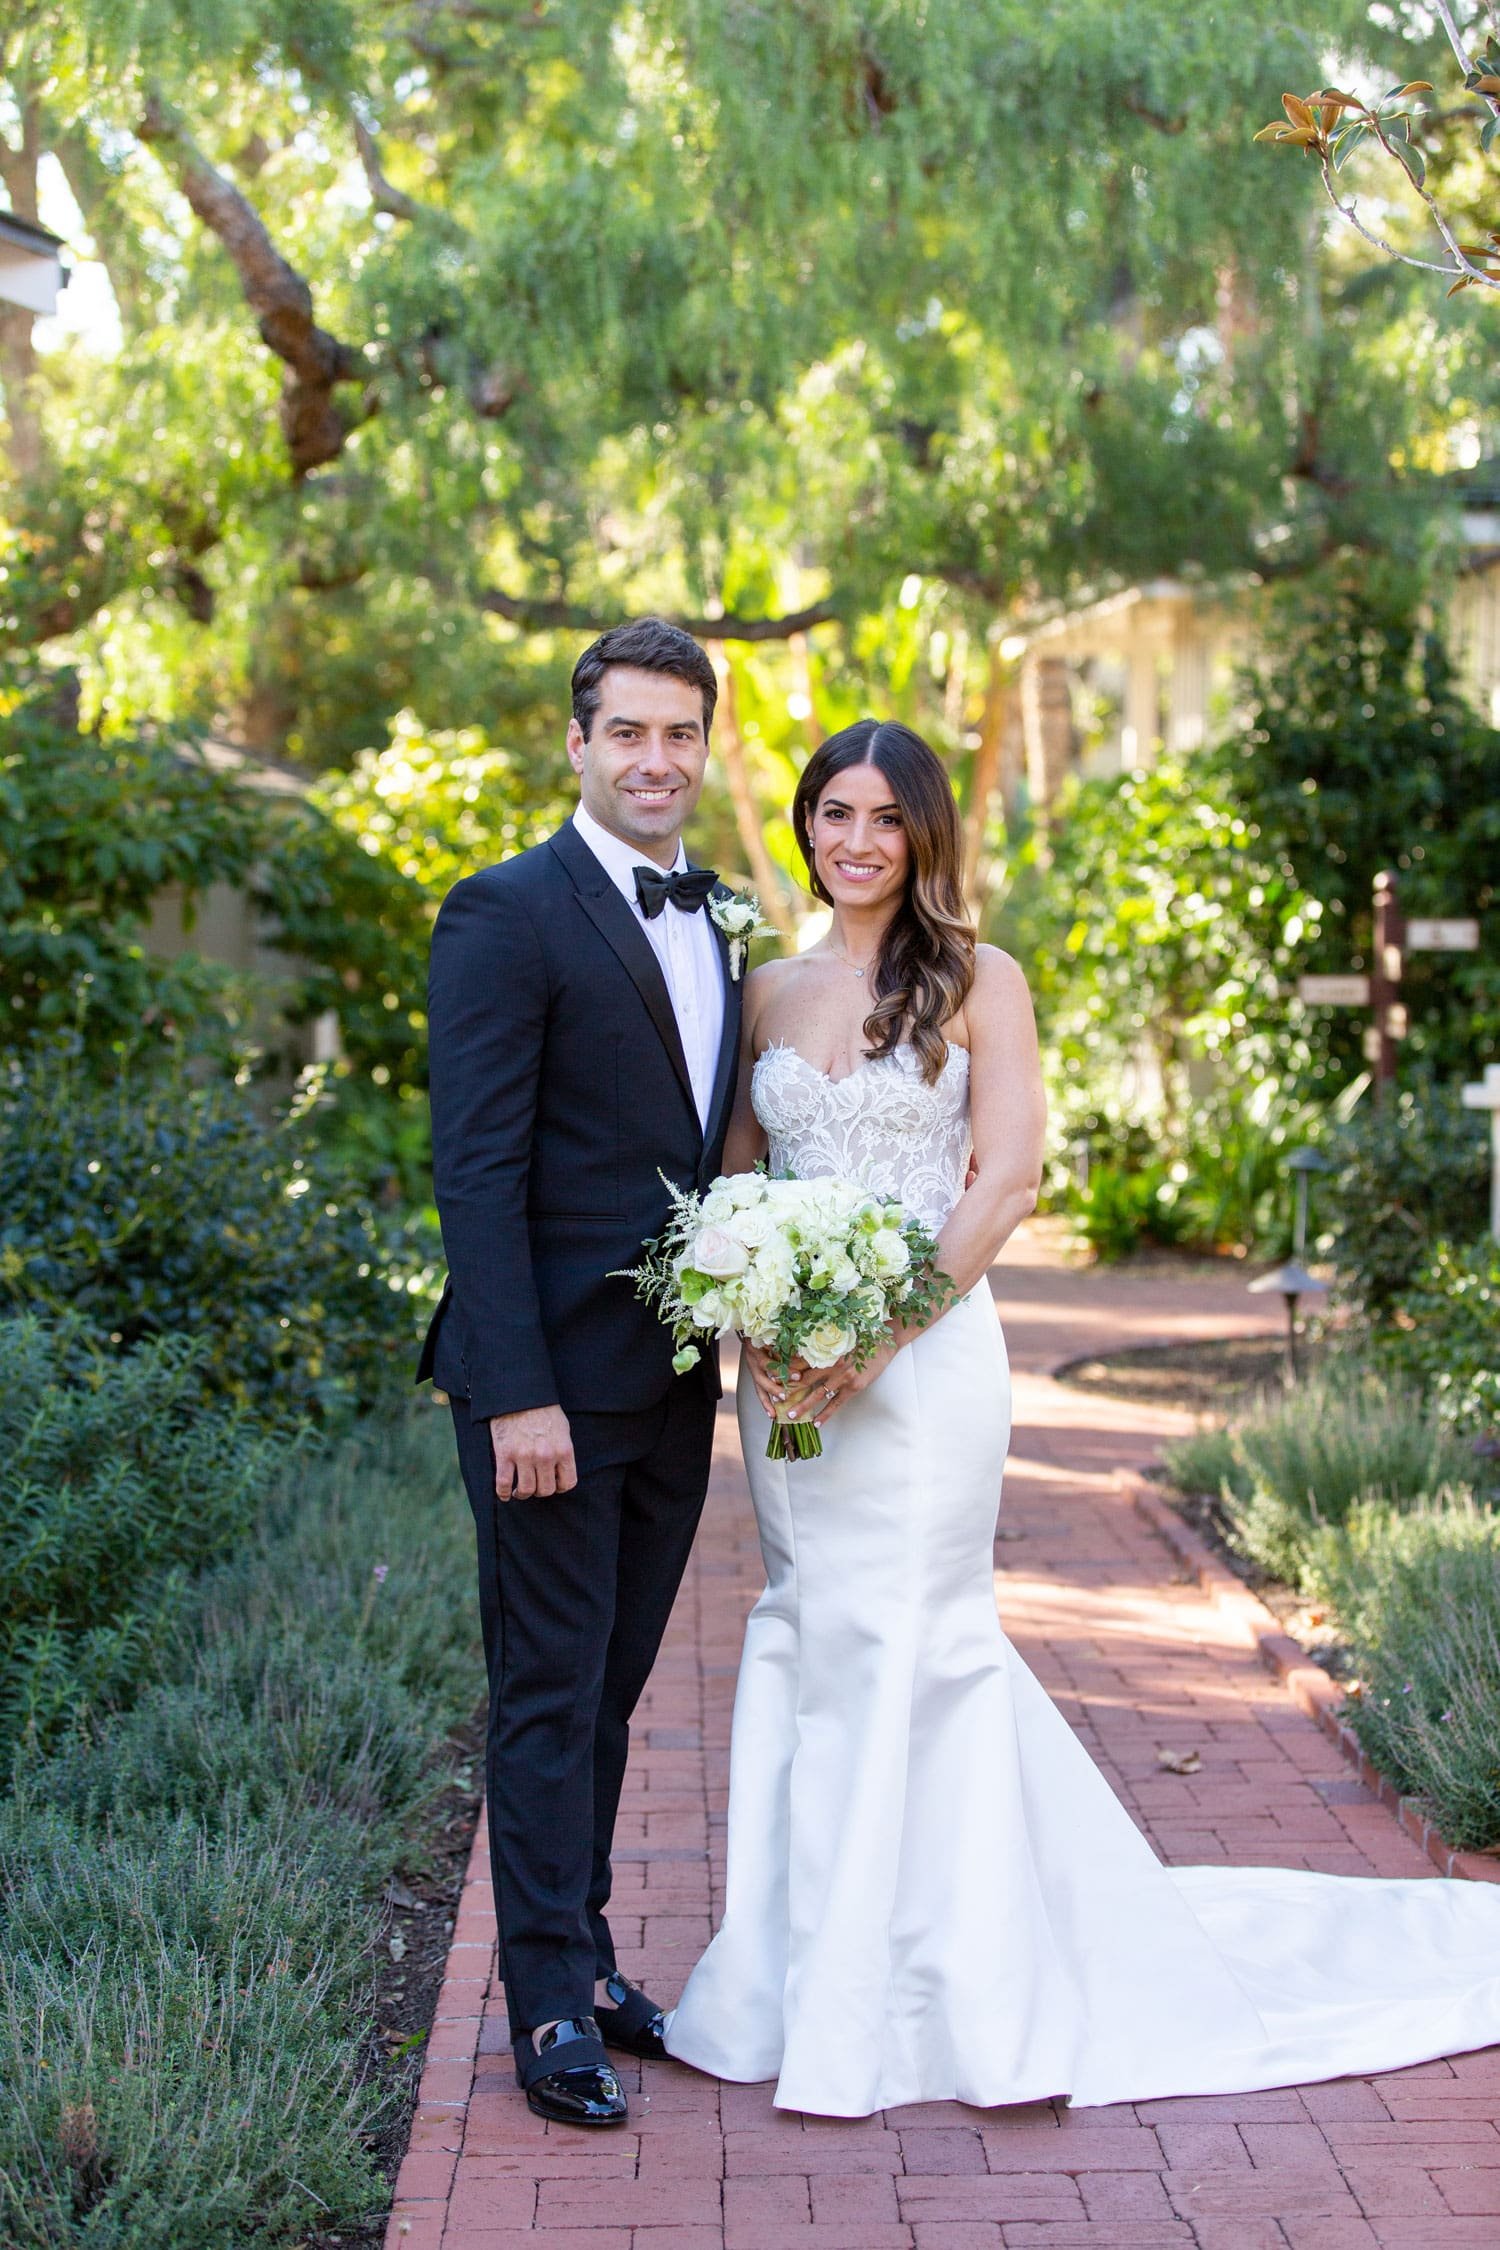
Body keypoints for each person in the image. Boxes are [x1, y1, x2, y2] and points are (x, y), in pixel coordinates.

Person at [664, 715, 1500, 2118]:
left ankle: (957, 1986)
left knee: (918, 1636)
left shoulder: (980, 977)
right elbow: (738, 1179)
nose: (856, 840)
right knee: (810, 1625)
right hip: (791, 1386)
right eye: (834, 813)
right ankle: (803, 1970)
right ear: (806, 825)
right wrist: (758, 1317)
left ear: (923, 833)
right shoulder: (765, 990)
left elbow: (1007, 1180)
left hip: (925, 1365)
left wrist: (879, 1333)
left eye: (884, 817)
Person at [420, 617, 742, 2128]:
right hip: (545, 1390)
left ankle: (591, 1955)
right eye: (629, 731)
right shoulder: (505, 911)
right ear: (579, 743)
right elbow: (476, 1173)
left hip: (670, 1386)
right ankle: (545, 2001)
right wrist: (515, 1393)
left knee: (609, 1690)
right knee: (546, 1693)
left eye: (681, 733)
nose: (656, 759)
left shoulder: (719, 917)